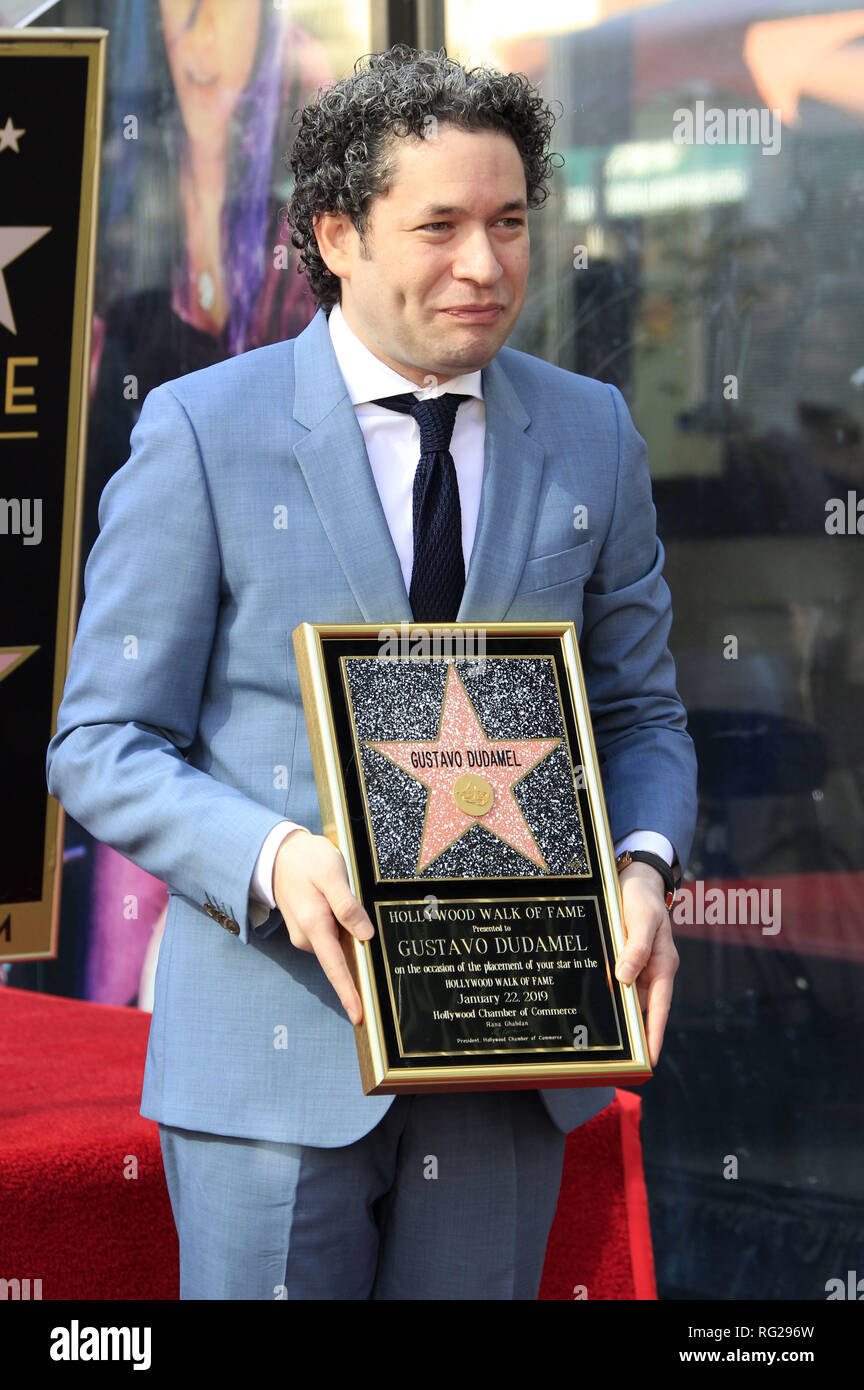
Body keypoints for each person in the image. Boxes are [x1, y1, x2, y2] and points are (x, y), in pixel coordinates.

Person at [46, 45, 697, 1300]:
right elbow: (101, 741)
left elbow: (640, 711)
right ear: (337, 235)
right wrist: (273, 858)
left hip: (509, 1052)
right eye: (440, 225)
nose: (487, 264)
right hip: (272, 1055)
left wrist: (644, 864)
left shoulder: (590, 431)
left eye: (509, 222)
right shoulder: (203, 431)